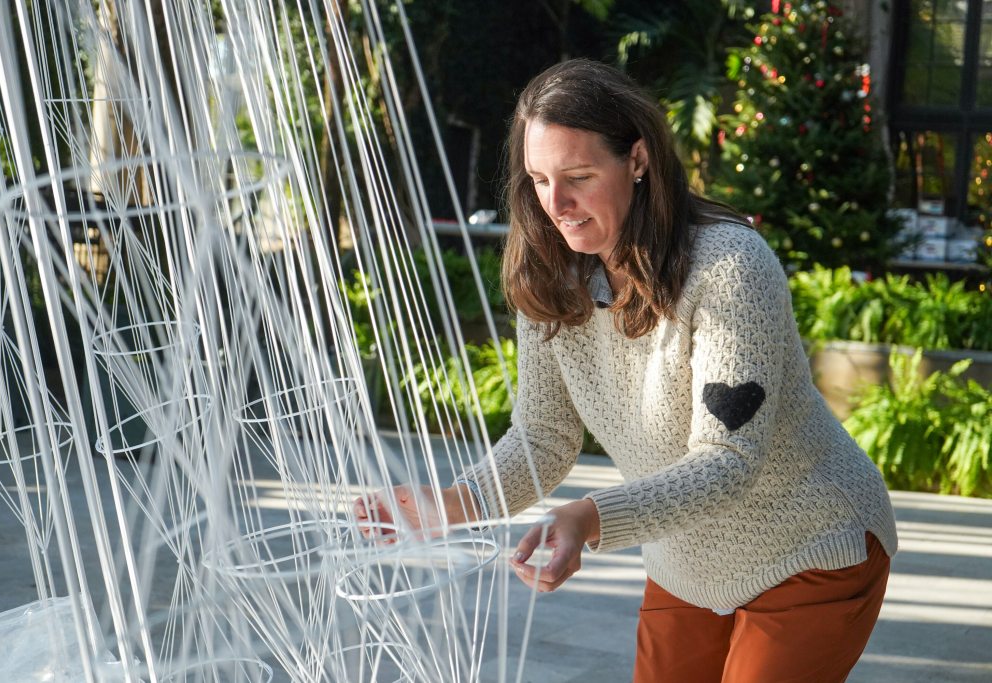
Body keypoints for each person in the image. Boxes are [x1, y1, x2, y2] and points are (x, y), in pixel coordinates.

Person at [353, 58, 897, 683]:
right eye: (538, 179)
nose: (556, 203)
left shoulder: (729, 266)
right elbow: (543, 438)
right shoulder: (551, 278)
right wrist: (453, 503)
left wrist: (588, 518)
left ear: (637, 159)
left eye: (578, 176)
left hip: (812, 542)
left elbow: (728, 457)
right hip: (685, 556)